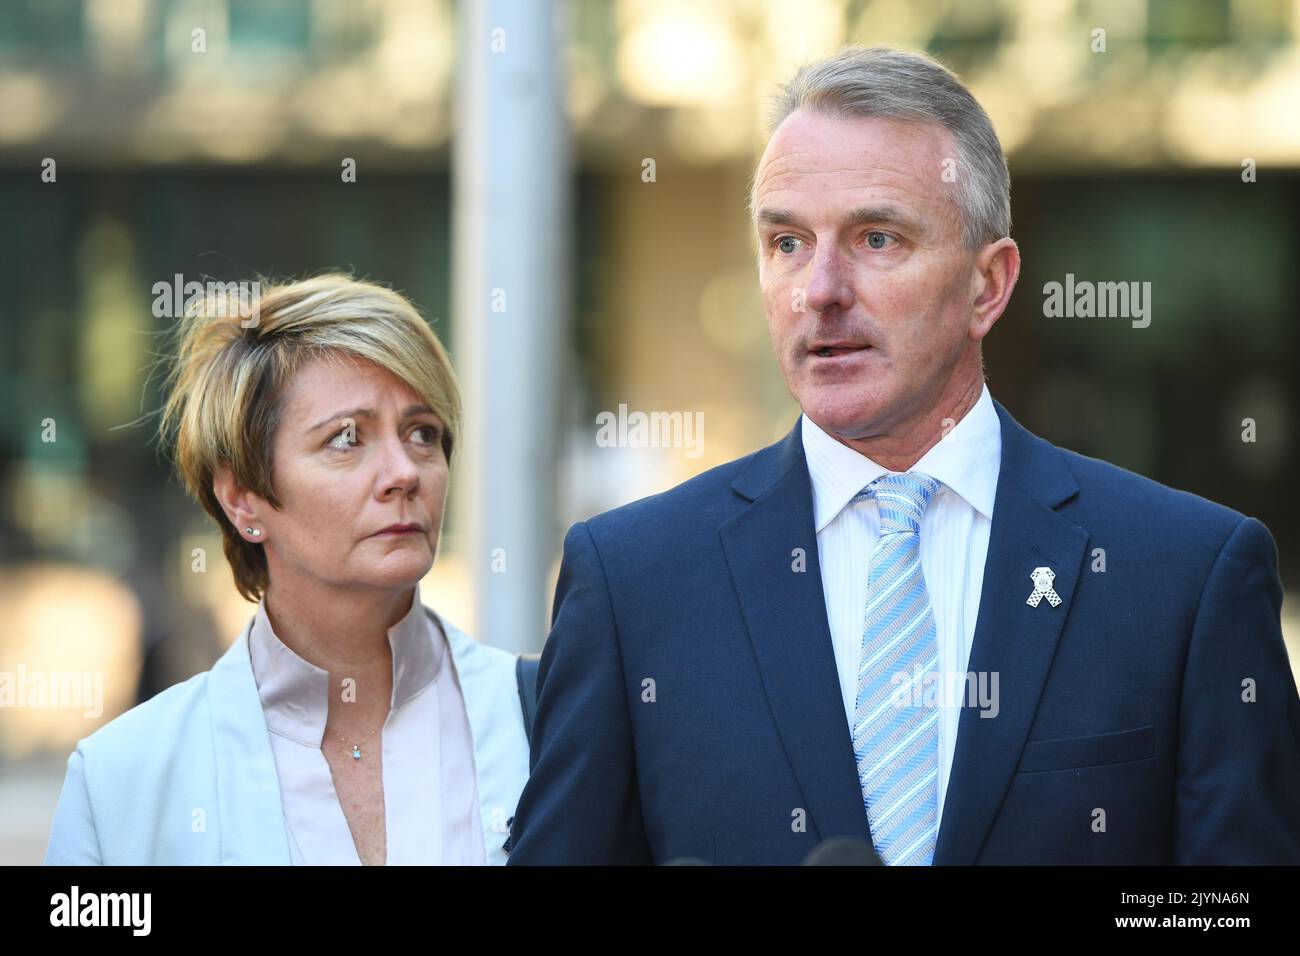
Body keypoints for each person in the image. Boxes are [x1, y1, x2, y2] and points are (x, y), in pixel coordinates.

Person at [507, 47, 1300, 865]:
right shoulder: (632, 580)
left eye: (876, 238)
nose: (820, 289)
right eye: (786, 243)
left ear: (987, 286)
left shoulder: (1185, 575)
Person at [45, 274, 530, 865]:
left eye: (423, 433)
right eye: (346, 439)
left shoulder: (544, 718)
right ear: (243, 498)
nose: (405, 472)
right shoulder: (123, 782)